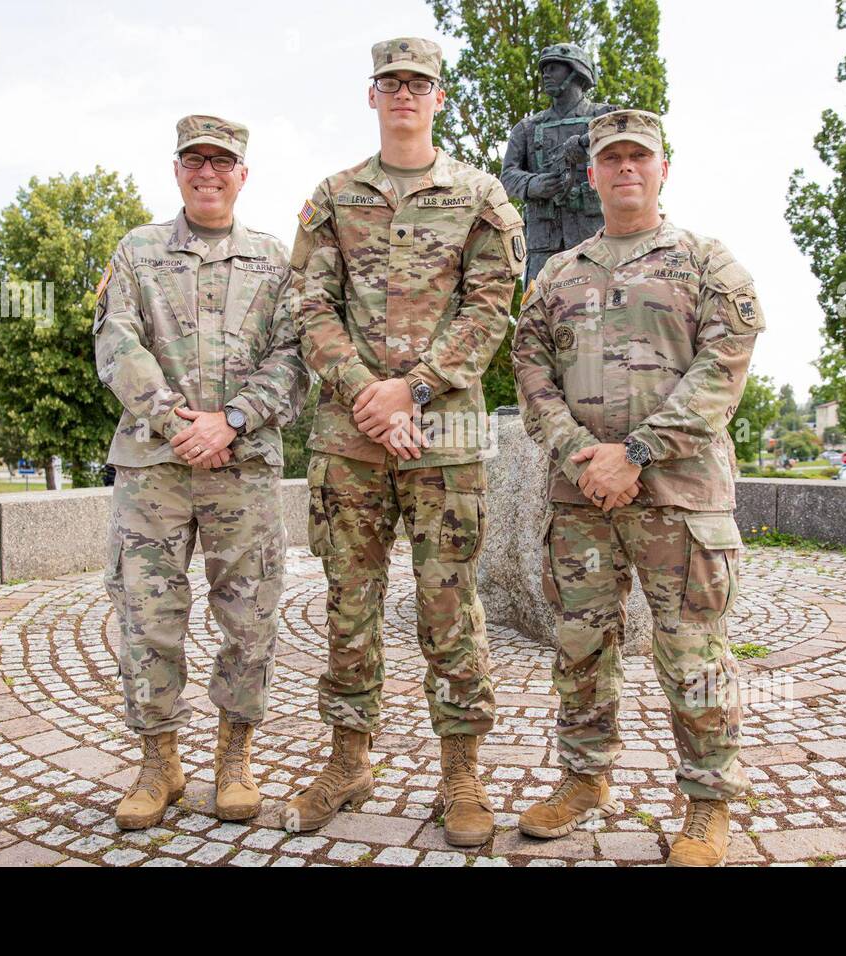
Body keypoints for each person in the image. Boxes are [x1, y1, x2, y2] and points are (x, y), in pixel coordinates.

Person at [283, 37, 525, 848]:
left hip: (445, 431)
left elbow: (491, 307)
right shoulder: (332, 196)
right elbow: (308, 306)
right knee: (349, 605)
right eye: (391, 83)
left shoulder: (480, 196)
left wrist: (413, 388)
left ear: (439, 98)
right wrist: (365, 396)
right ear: (372, 95)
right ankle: (349, 760)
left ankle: (461, 772)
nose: (404, 95)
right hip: (348, 437)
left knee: (448, 603)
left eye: (419, 83)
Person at [511, 109, 766, 866]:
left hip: (681, 499)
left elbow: (723, 369)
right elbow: (530, 373)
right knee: (581, 647)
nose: (625, 169)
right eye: (611, 158)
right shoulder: (557, 275)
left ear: (663, 170)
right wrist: (584, 454)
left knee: (692, 653)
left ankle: (708, 801)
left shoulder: (705, 262)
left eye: (639, 158)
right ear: (591, 175)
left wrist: (638, 453)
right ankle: (584, 782)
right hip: (581, 496)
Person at [93, 114, 309, 830]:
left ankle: (234, 758)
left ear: (243, 175)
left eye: (223, 162)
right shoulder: (138, 250)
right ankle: (159, 764)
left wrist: (234, 420)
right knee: (147, 618)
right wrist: (175, 421)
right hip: (154, 467)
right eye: (195, 161)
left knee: (248, 619)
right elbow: (117, 341)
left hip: (242, 469)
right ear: (177, 169)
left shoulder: (276, 262)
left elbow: (294, 357)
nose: (208, 173)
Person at [500, 43, 618, 285]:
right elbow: (507, 177)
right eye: (544, 70)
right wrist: (533, 184)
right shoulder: (527, 128)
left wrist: (585, 144)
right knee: (538, 313)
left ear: (576, 71)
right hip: (544, 243)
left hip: (596, 239)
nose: (546, 75)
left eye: (554, 68)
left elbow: (625, 153)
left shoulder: (605, 118)